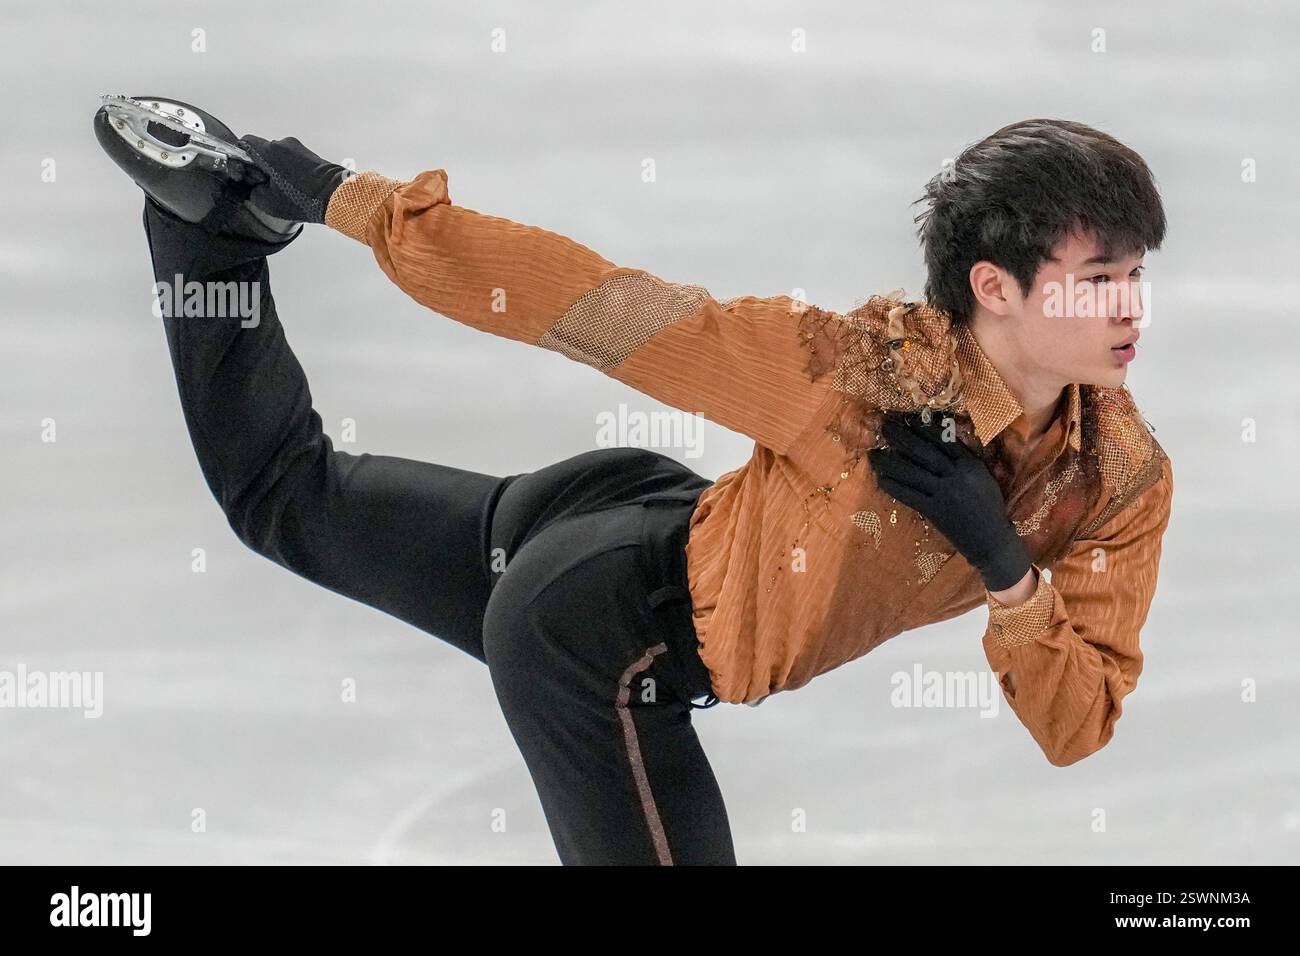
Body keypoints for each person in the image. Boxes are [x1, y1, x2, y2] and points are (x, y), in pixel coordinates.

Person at [109, 100, 1174, 865]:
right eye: (1097, 281)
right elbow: (595, 306)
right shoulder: (858, 374)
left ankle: (207, 243)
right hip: (606, 638)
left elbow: (1076, 721)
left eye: (1134, 276)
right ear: (994, 286)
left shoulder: (1117, 478)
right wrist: (352, 199)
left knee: (290, 499)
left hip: (627, 518)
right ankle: (222, 224)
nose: (1130, 308)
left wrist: (1002, 565)